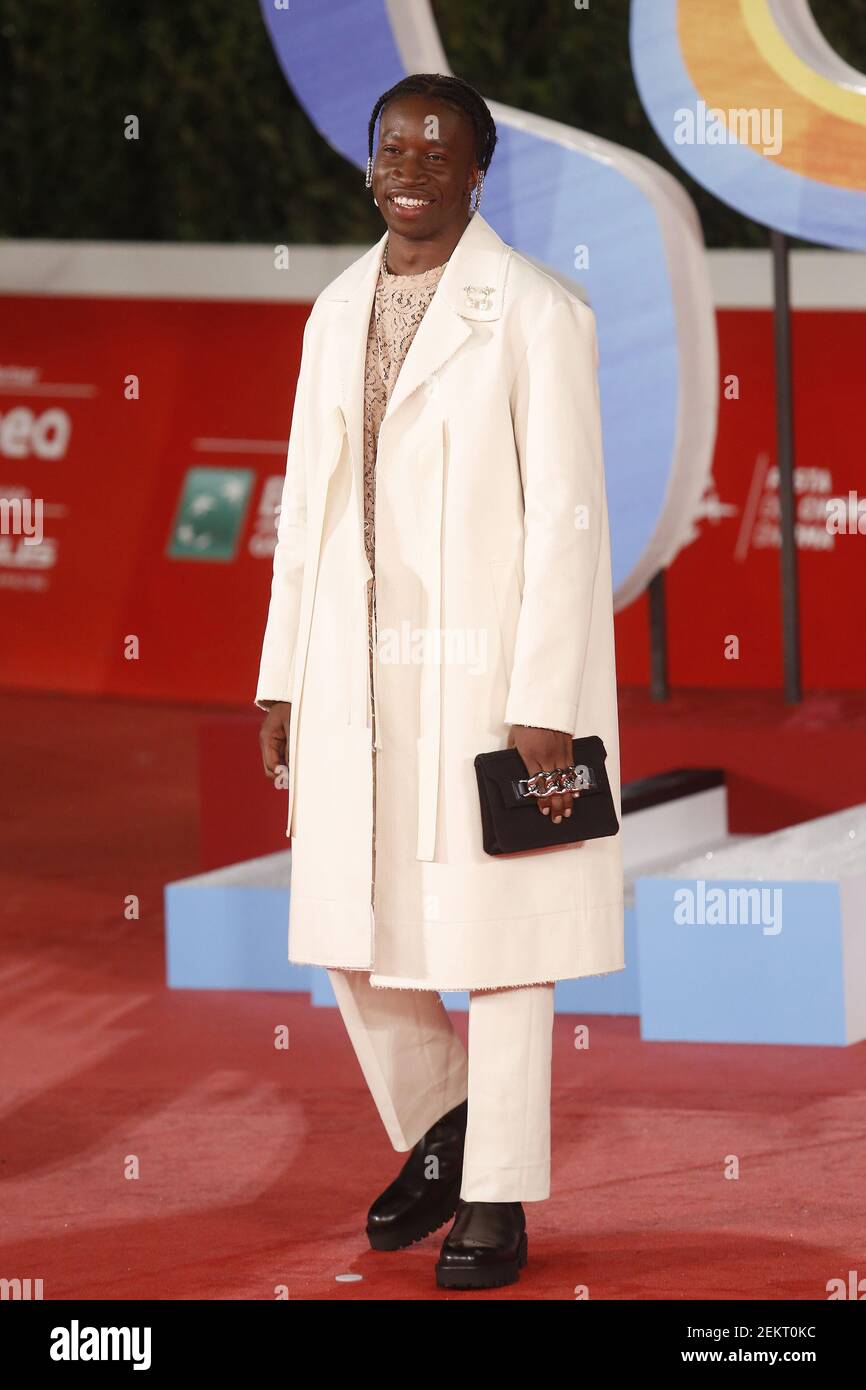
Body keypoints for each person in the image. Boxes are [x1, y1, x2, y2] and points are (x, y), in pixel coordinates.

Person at [256, 72, 623, 1291]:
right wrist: (278, 683)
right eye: (390, 143)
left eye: (436, 144)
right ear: (368, 167)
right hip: (349, 676)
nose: (409, 160)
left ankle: (495, 1200)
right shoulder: (331, 311)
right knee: (344, 924)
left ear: (478, 169)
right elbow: (304, 514)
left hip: (487, 679)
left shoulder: (534, 312)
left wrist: (545, 701)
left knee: (502, 944)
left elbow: (569, 523)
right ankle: (449, 1123)